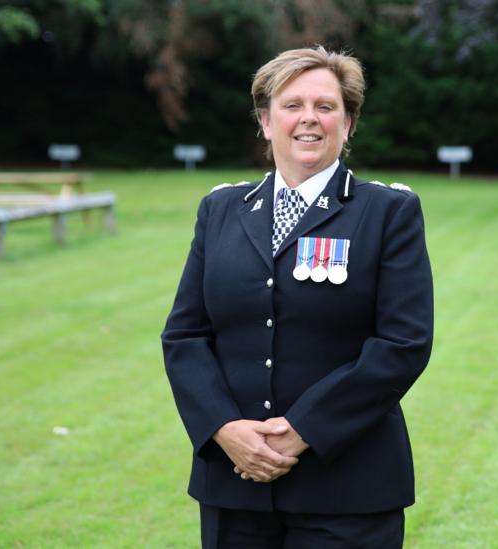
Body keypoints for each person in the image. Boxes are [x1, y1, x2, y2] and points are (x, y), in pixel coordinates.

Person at [161, 46, 434, 548]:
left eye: (326, 107)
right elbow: (185, 335)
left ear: (348, 124)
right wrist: (224, 428)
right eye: (292, 105)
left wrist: (302, 429)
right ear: (265, 122)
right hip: (233, 486)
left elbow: (402, 343)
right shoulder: (220, 210)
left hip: (349, 488)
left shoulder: (387, 212)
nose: (309, 118)